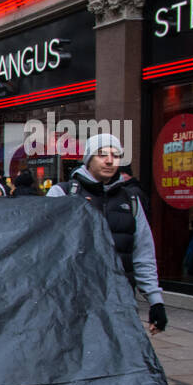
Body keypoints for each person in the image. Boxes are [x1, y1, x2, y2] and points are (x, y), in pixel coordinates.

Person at [47, 133, 167, 336]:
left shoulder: (131, 200)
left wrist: (156, 301)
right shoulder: (63, 194)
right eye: (102, 154)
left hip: (120, 301)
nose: (110, 160)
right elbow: (45, 250)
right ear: (88, 158)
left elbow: (143, 252)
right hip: (72, 304)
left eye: (115, 155)